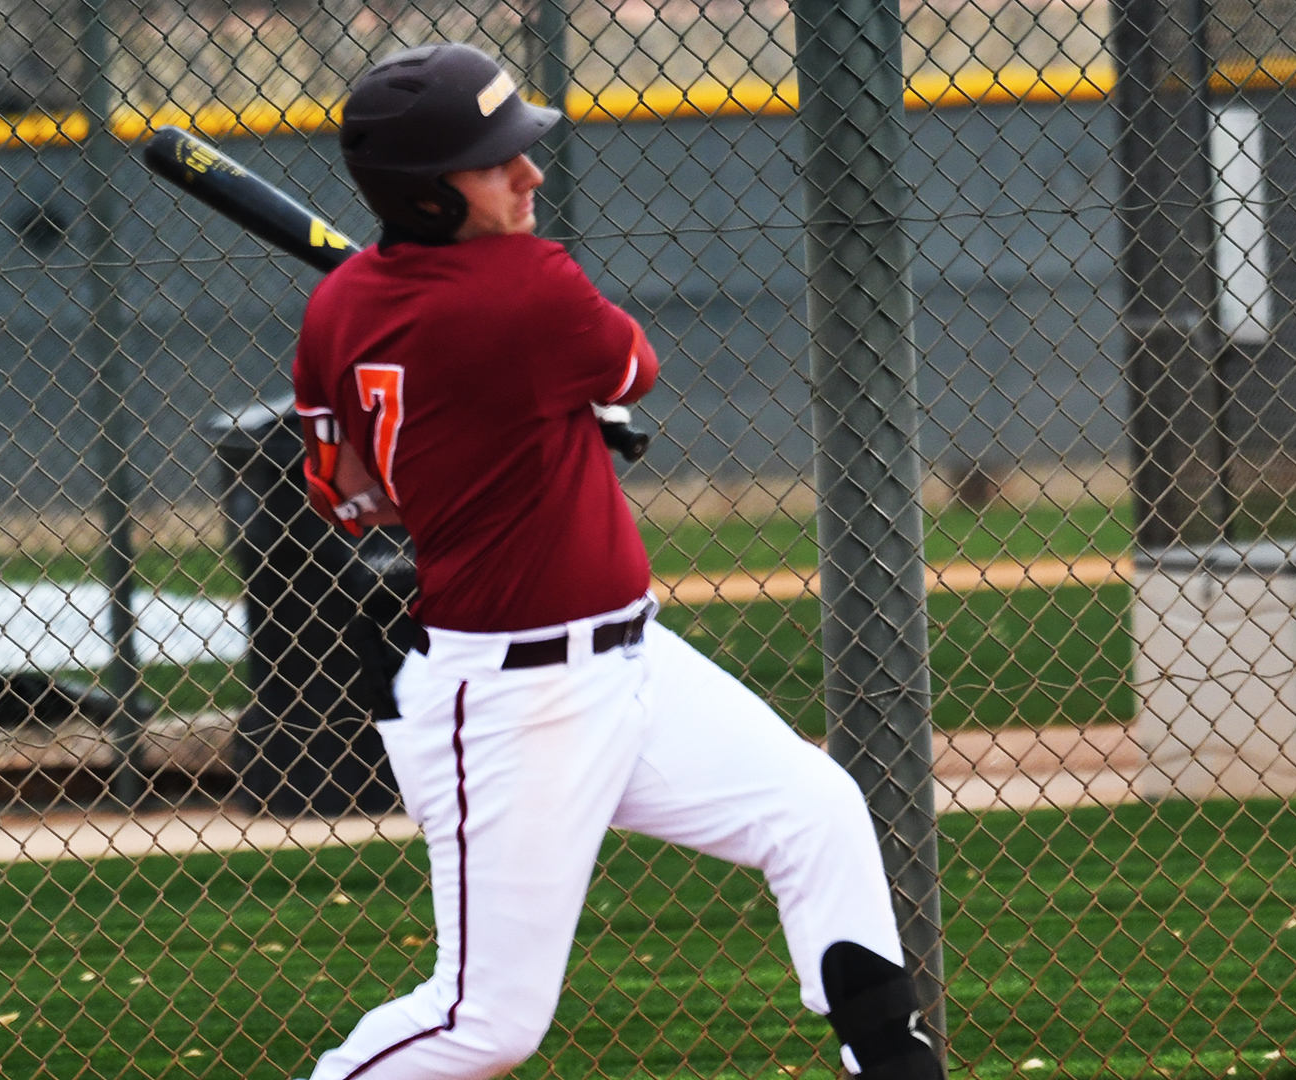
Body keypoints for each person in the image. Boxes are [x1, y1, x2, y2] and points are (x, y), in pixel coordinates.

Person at [289, 41, 942, 1080]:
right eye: (494, 162)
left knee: (813, 814)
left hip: (632, 661)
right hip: (512, 703)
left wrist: (504, 418)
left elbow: (353, 496)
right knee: (483, 1022)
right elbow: (636, 362)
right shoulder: (529, 287)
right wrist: (545, 399)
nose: (529, 174)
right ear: (425, 197)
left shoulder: (340, 307)